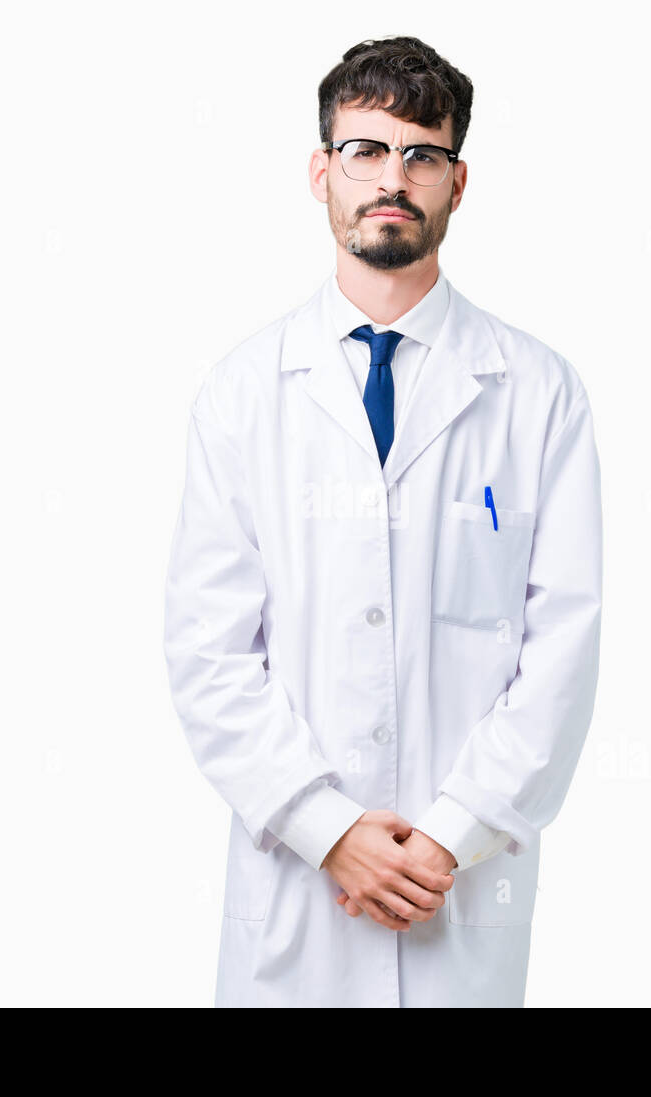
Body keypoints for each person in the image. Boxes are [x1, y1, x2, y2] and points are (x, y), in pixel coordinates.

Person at [163, 35, 603, 1007]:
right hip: (296, 896)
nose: (390, 178)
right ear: (321, 170)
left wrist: (449, 829)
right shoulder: (243, 395)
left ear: (457, 181)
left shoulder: (536, 394)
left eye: (420, 154)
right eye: (365, 150)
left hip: (459, 889)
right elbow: (210, 654)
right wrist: (326, 826)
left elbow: (561, 649)